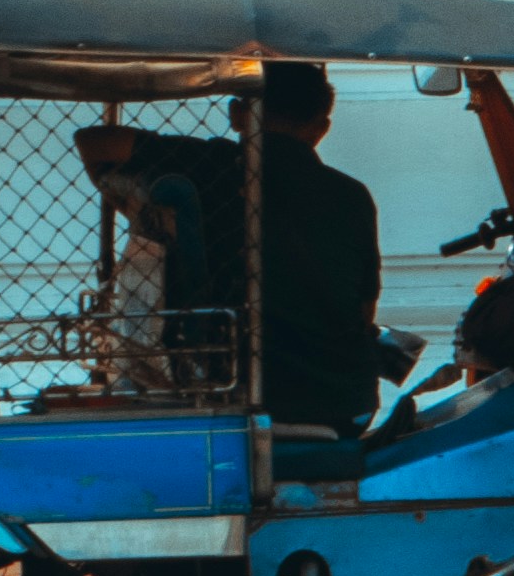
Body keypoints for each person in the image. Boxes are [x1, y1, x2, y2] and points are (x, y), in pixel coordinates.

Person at [75, 63, 385, 436]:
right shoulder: (351, 195)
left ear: (239, 114)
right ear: (321, 128)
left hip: (234, 392)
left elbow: (94, 142)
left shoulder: (205, 164)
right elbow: (364, 311)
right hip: (345, 402)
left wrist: (133, 205)